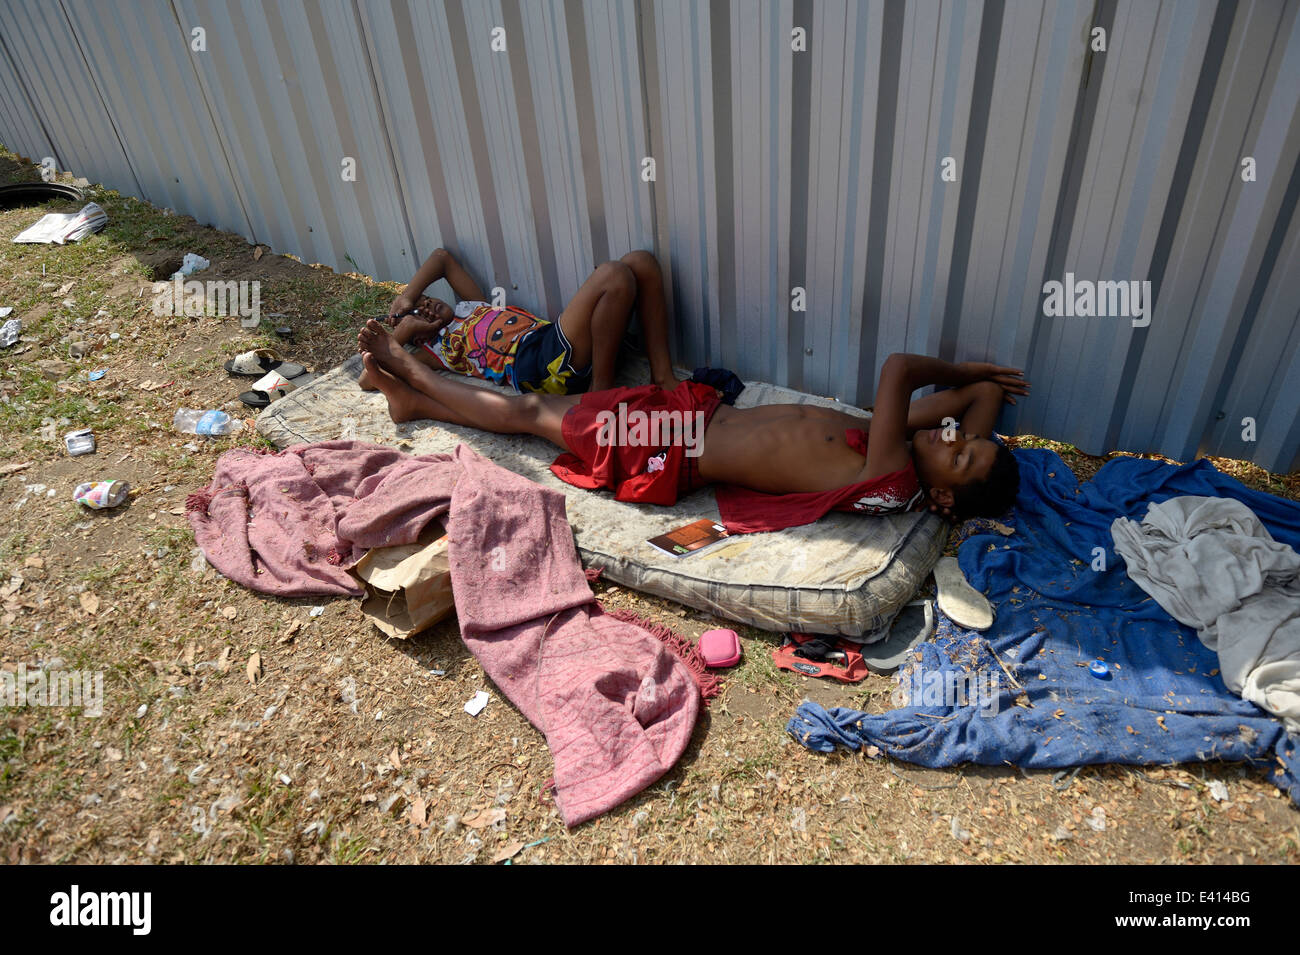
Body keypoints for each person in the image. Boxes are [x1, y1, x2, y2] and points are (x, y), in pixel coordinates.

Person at [356, 319, 1024, 532]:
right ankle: (413, 400)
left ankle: (417, 374)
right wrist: (975, 405)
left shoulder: (890, 471)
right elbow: (981, 402)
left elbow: (903, 367)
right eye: (965, 439)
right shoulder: (905, 450)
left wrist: (963, 368)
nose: (957, 438)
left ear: (939, 498)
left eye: (961, 456)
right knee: (539, 419)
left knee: (532, 415)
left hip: (667, 444)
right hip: (689, 420)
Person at [372, 247, 681, 396]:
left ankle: (663, 377)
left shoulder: (472, 305)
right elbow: (370, 376)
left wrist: (408, 298)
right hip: (538, 365)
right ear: (419, 338)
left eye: (426, 300)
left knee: (642, 262)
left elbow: (442, 258)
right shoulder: (439, 352)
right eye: (422, 314)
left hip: (552, 338)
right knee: (613, 275)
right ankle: (599, 394)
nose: (428, 306)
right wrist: (404, 332)